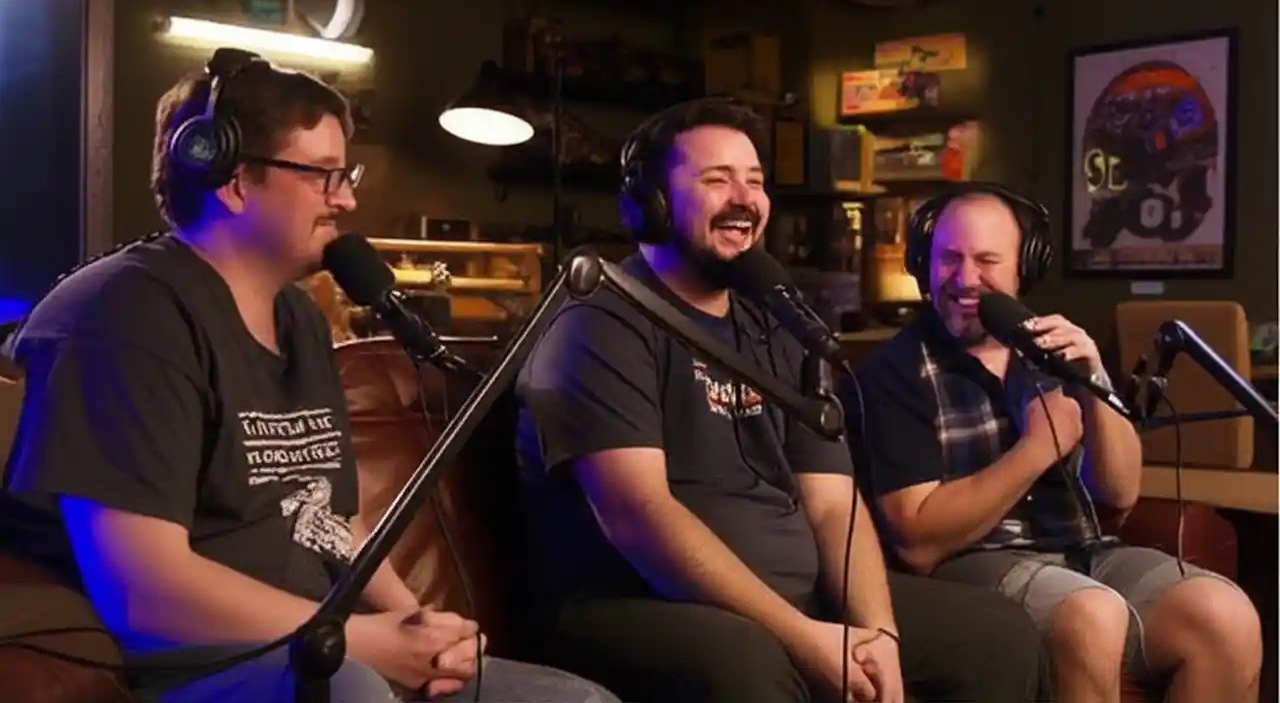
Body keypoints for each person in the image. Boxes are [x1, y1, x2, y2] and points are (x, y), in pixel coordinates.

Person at [0, 47, 618, 703]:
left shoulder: (296, 313)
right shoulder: (123, 312)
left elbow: (323, 519)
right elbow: (142, 589)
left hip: (326, 643)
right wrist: (362, 640)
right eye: (323, 174)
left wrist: (420, 626)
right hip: (204, 667)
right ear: (233, 178)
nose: (347, 199)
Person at [514, 98, 1049, 703]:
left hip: (794, 598)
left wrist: (878, 635)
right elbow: (640, 516)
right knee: (749, 665)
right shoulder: (601, 321)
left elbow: (832, 505)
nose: (744, 198)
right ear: (654, 203)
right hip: (633, 601)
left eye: (755, 181)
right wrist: (805, 637)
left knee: (997, 636)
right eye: (716, 180)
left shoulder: (776, 325)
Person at [847, 181, 1262, 703]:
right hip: (974, 565)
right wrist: (1035, 451)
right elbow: (919, 539)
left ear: (1025, 268)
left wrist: (1094, 383)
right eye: (949, 258)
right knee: (1094, 615)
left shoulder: (1050, 349)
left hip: (1084, 552)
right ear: (923, 265)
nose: (965, 278)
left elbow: (1119, 492)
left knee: (1226, 616)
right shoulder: (894, 373)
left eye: (987, 260)